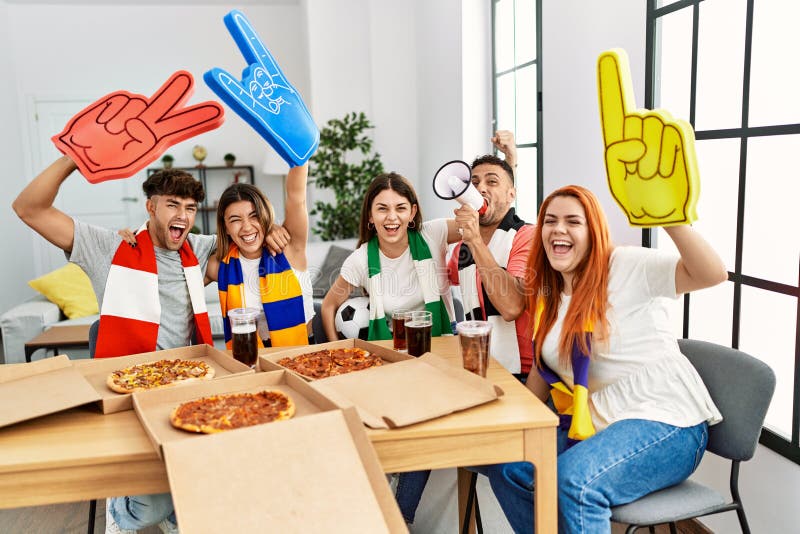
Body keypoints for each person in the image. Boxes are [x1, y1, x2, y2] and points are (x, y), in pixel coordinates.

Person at [483, 185, 728, 533]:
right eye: (550, 221)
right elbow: (543, 366)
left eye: (573, 221)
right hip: (601, 425)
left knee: (574, 481)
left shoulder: (623, 265)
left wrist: (670, 218)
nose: (559, 229)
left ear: (593, 230)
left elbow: (711, 274)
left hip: (667, 421)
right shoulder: (552, 290)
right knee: (508, 466)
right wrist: (502, 419)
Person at [13, 156, 217, 533]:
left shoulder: (199, 249)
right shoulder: (108, 246)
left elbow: (250, 240)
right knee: (153, 505)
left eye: (190, 208)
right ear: (150, 207)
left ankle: (174, 505)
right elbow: (28, 208)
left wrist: (270, 228)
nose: (183, 216)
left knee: (214, 474)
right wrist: (74, 159)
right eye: (172, 204)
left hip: (183, 388)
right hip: (127, 392)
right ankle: (122, 509)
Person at [321, 171, 460, 343]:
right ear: (370, 215)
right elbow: (328, 306)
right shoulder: (360, 259)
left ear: (412, 212)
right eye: (382, 209)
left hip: (444, 338)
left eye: (401, 208)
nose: (392, 217)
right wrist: (338, 349)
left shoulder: (434, 233)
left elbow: (479, 223)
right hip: (395, 343)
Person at [448, 130, 535, 380]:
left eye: (491, 182)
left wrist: (475, 240)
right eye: (473, 183)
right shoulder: (463, 247)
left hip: (522, 373)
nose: (480, 189)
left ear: (512, 195)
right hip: (476, 364)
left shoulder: (527, 236)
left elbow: (511, 307)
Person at [205, 163, 315, 348]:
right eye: (235, 220)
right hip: (250, 355)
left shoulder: (287, 246)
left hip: (302, 353)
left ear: (264, 215)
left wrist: (300, 156)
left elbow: (296, 198)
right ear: (226, 228)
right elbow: (174, 284)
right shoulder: (219, 266)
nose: (247, 227)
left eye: (254, 216)